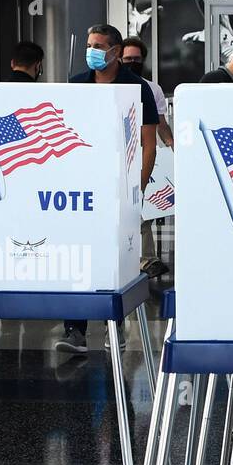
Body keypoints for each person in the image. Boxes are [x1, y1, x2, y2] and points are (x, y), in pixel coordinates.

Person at [59, 24, 158, 354]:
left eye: (99, 45)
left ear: (116, 51)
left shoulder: (137, 88)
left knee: (117, 259)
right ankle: (75, 329)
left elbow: (148, 145)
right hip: (82, 187)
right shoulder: (76, 85)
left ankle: (115, 325)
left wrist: (137, 190)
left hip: (119, 188)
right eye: (90, 44)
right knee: (78, 256)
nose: (93, 51)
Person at [120, 36, 174, 279]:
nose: (132, 62)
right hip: (115, 154)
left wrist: (171, 143)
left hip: (142, 152)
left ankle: (145, 260)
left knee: (141, 210)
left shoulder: (151, 89)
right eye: (128, 58)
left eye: (137, 59)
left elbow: (160, 123)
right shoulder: (109, 85)